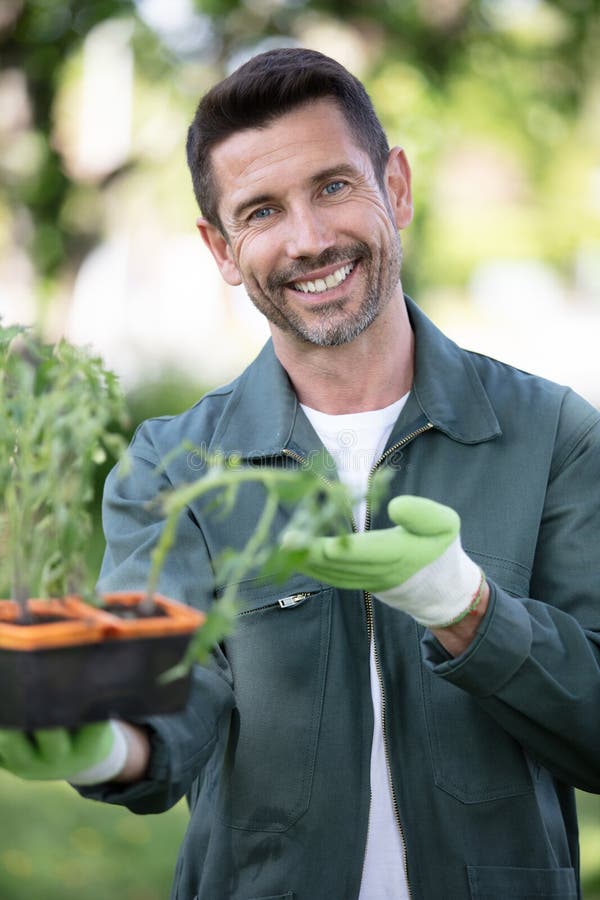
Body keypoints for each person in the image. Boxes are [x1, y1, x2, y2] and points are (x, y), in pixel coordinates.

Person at [1, 47, 599, 900]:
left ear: (395, 186)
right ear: (220, 246)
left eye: (332, 187)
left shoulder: (554, 437)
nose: (309, 240)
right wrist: (104, 742)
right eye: (262, 210)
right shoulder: (172, 468)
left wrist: (466, 609)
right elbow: (176, 696)